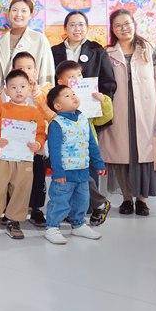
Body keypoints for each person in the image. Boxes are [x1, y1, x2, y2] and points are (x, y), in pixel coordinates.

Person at [99, 9, 156, 217]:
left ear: (134, 24)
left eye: (127, 23)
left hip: (147, 111)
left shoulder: (150, 48)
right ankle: (126, 198)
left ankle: (142, 200)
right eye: (118, 25)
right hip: (119, 110)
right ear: (113, 30)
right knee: (121, 156)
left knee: (146, 156)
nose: (123, 28)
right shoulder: (107, 52)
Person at [0, 69, 47, 240]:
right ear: (6, 90)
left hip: (24, 158)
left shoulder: (35, 112)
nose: (18, 90)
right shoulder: (1, 108)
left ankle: (14, 221)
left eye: (22, 86)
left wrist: (37, 144)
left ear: (29, 88)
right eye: (13, 87)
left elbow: (41, 133)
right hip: (2, 157)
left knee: (21, 189)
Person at [44, 84, 106, 244]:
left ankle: (78, 224)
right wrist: (58, 172)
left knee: (82, 200)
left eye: (73, 94)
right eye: (67, 96)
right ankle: (52, 227)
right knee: (60, 200)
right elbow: (54, 150)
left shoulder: (83, 118)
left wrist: (99, 163)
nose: (73, 97)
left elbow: (91, 143)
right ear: (58, 106)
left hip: (83, 170)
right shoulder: (57, 124)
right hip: (65, 173)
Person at [55, 60, 113, 226]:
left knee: (81, 178)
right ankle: (75, 212)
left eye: (79, 75)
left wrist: (103, 101)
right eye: (71, 77)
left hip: (84, 148)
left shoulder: (87, 97)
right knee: (70, 181)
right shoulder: (57, 99)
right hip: (65, 148)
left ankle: (99, 203)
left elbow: (103, 119)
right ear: (60, 82)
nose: (77, 80)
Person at [11, 51, 54, 228]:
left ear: (36, 71)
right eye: (20, 68)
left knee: (37, 177)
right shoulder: (8, 91)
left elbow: (50, 115)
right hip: (15, 144)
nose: (25, 71)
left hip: (36, 145)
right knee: (15, 178)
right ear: (13, 70)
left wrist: (36, 95)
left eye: (29, 68)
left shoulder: (45, 91)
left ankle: (36, 209)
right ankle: (13, 209)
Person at [0, 0, 55, 93]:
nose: (18, 14)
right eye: (14, 10)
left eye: (23, 11)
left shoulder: (39, 39)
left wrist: (44, 95)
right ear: (9, 13)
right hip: (5, 96)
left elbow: (47, 70)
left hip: (32, 95)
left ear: (31, 15)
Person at [51, 10, 116, 97]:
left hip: (91, 102)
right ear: (65, 28)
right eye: (72, 25)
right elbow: (51, 81)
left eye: (81, 24)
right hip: (62, 103)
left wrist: (103, 100)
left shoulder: (97, 50)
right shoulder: (54, 51)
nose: (77, 29)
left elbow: (108, 82)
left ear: (87, 27)